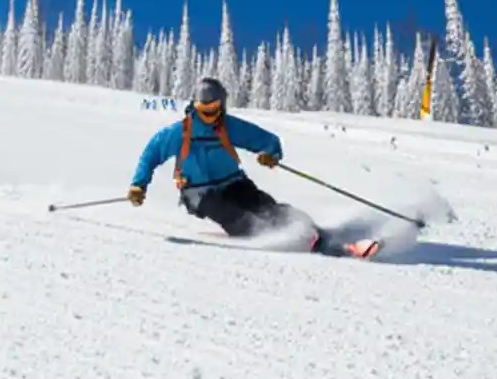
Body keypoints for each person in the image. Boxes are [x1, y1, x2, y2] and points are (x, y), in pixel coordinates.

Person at [128, 77, 379, 259]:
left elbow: (268, 140)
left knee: (269, 207)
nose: (208, 116)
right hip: (200, 193)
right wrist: (139, 184)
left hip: (234, 182)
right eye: (203, 111)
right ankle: (300, 242)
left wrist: (271, 155)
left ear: (221, 105)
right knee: (238, 218)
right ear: (195, 107)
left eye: (213, 110)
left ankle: (317, 232)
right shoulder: (179, 132)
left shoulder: (229, 126)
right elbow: (151, 154)